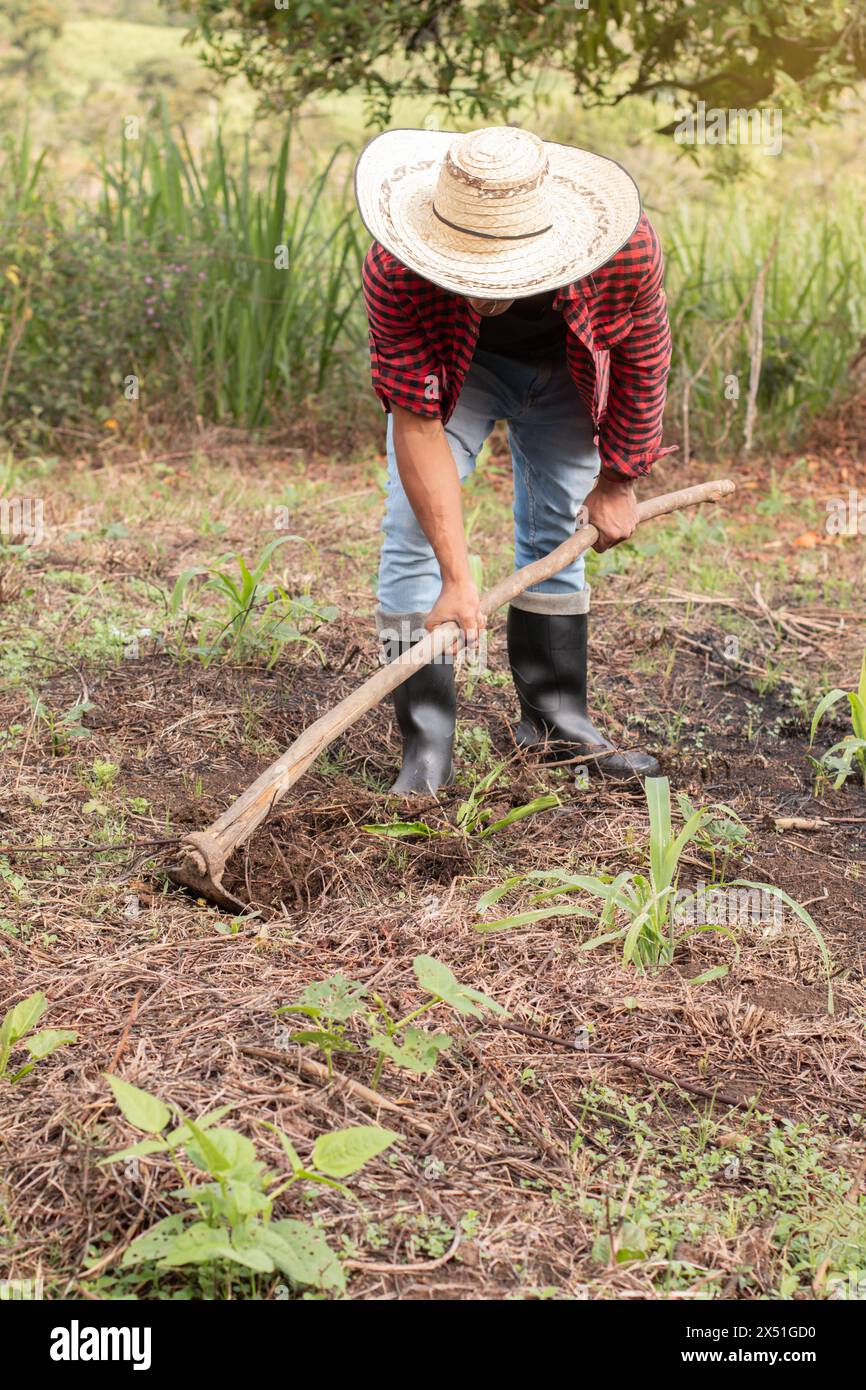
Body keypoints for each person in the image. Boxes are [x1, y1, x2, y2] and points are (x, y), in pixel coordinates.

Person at [354, 124, 673, 792]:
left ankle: (555, 720)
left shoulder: (623, 251)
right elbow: (416, 424)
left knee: (559, 525)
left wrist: (619, 478)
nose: (476, 281)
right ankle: (426, 746)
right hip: (457, 375)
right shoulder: (395, 266)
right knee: (413, 538)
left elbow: (643, 360)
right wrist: (456, 576)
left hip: (566, 370)